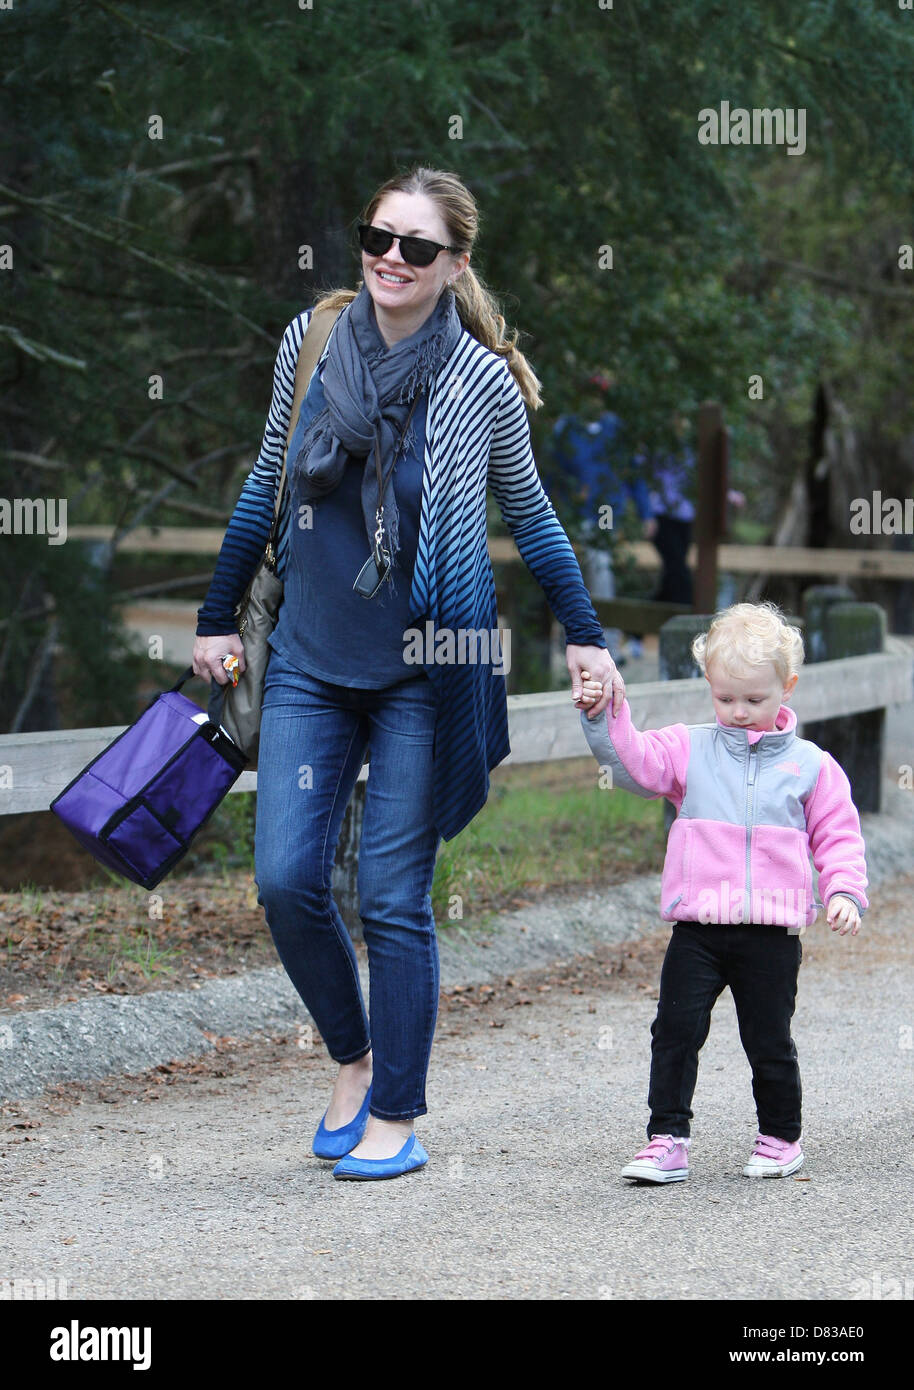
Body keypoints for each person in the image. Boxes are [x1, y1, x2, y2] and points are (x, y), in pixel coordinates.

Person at [192, 166, 624, 1182]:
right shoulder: (310, 346)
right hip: (306, 658)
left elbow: (534, 518)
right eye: (376, 236)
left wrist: (586, 634)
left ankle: (395, 1112)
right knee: (287, 878)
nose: (390, 258)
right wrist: (217, 617)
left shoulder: (479, 384)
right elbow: (265, 479)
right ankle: (353, 1053)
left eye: (416, 247)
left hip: (426, 671)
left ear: (453, 265)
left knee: (390, 897)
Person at [577, 600, 868, 1183]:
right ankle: (666, 1139)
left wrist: (842, 892)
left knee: (768, 1038)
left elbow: (838, 835)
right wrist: (605, 712)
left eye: (754, 700)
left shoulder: (813, 767)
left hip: (771, 934)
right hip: (698, 930)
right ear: (709, 686)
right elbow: (633, 764)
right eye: (725, 698)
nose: (738, 712)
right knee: (675, 1030)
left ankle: (781, 1137)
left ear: (787, 687)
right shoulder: (690, 749)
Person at [549, 376, 652, 664]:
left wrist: (645, 513)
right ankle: (572, 640)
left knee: (601, 572)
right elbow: (551, 473)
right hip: (569, 517)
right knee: (570, 577)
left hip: (606, 517)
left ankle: (609, 647)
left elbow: (634, 475)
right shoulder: (566, 428)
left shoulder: (617, 431)